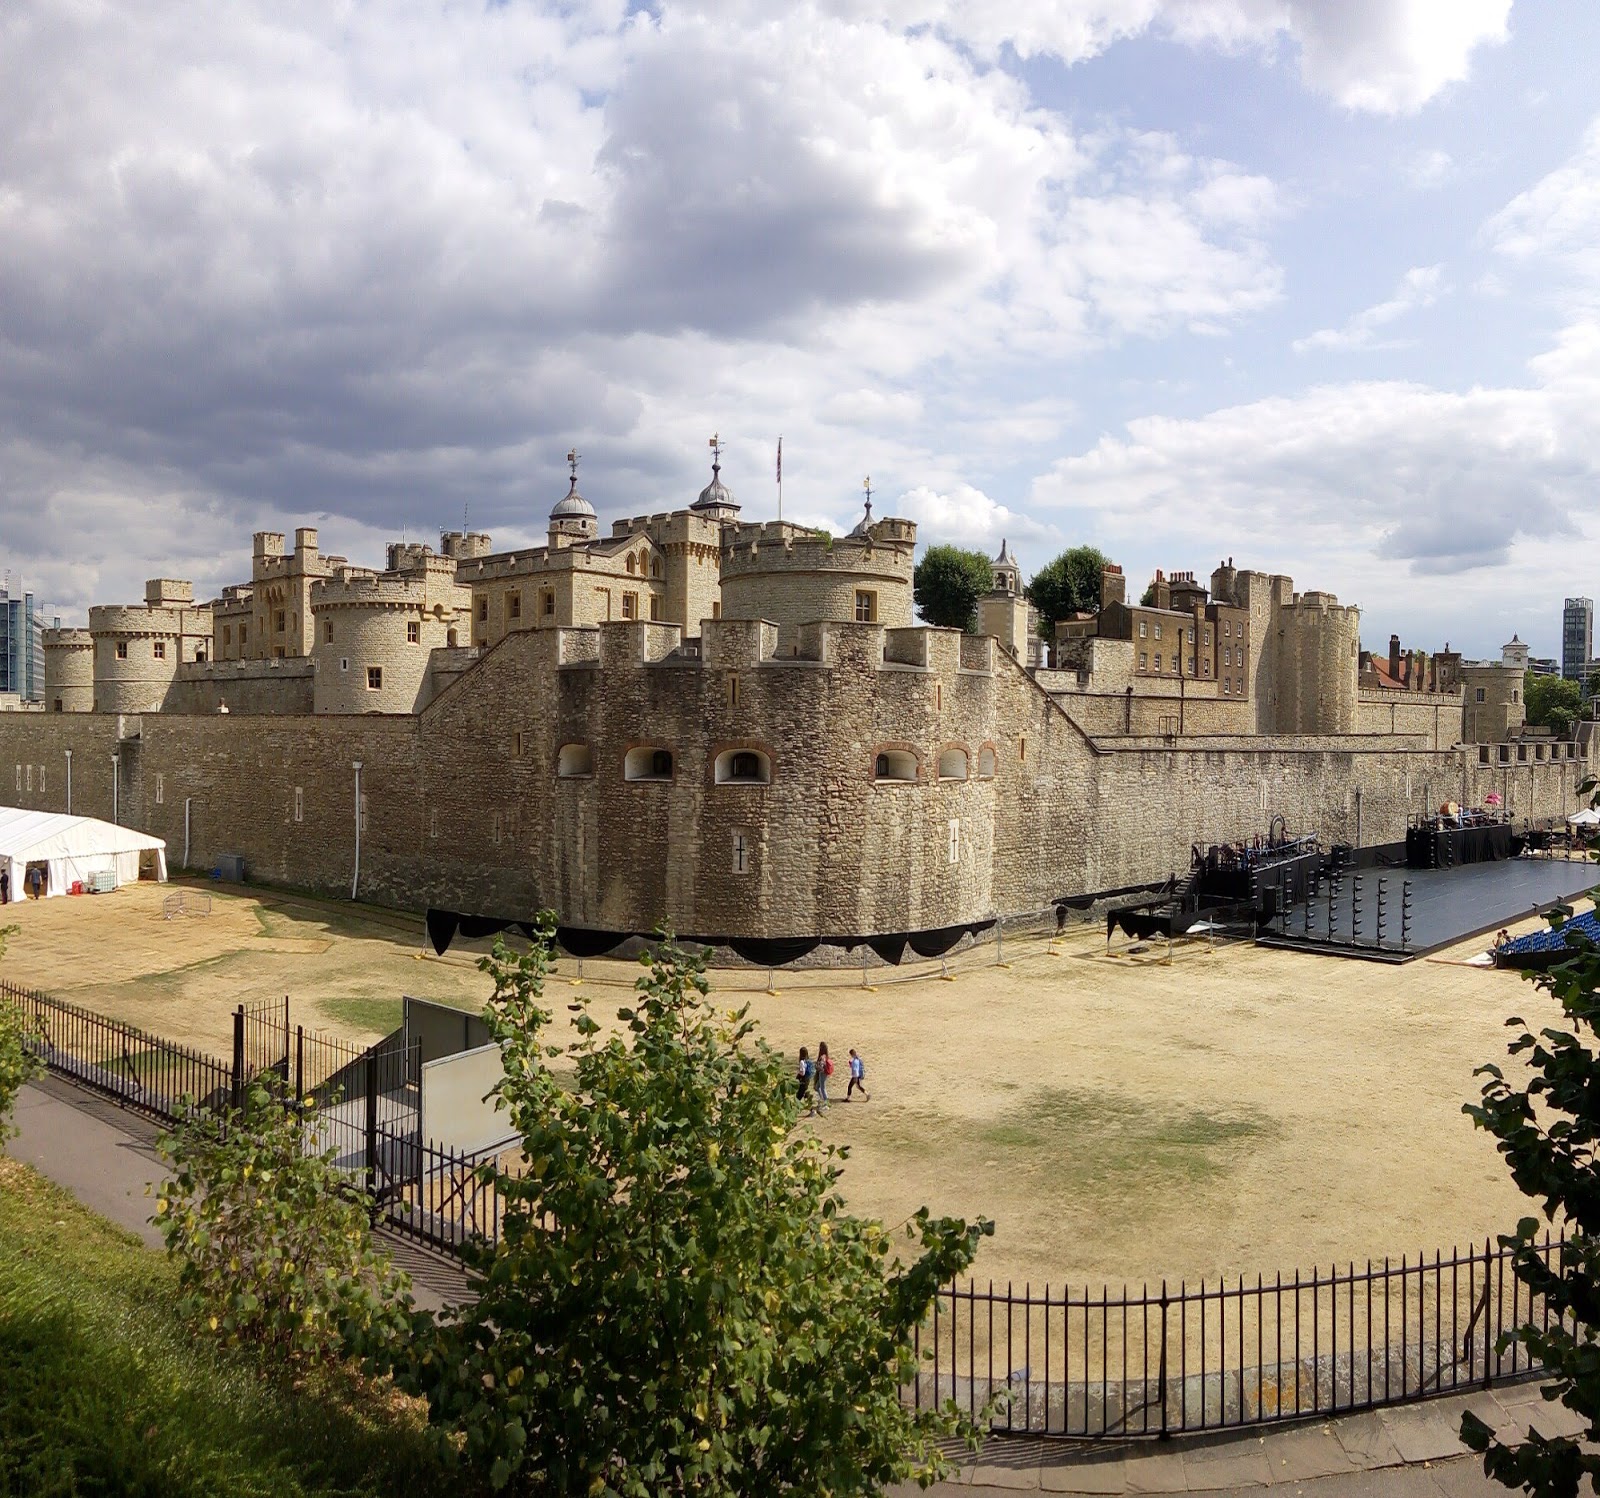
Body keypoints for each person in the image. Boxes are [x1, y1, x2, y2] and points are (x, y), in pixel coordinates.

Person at [815, 1042, 832, 1110]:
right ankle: (822, 1100)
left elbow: (821, 1067)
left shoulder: (822, 1057)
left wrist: (816, 1066)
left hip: (822, 1074)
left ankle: (826, 1103)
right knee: (817, 1087)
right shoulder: (826, 1056)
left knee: (822, 1088)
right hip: (824, 1073)